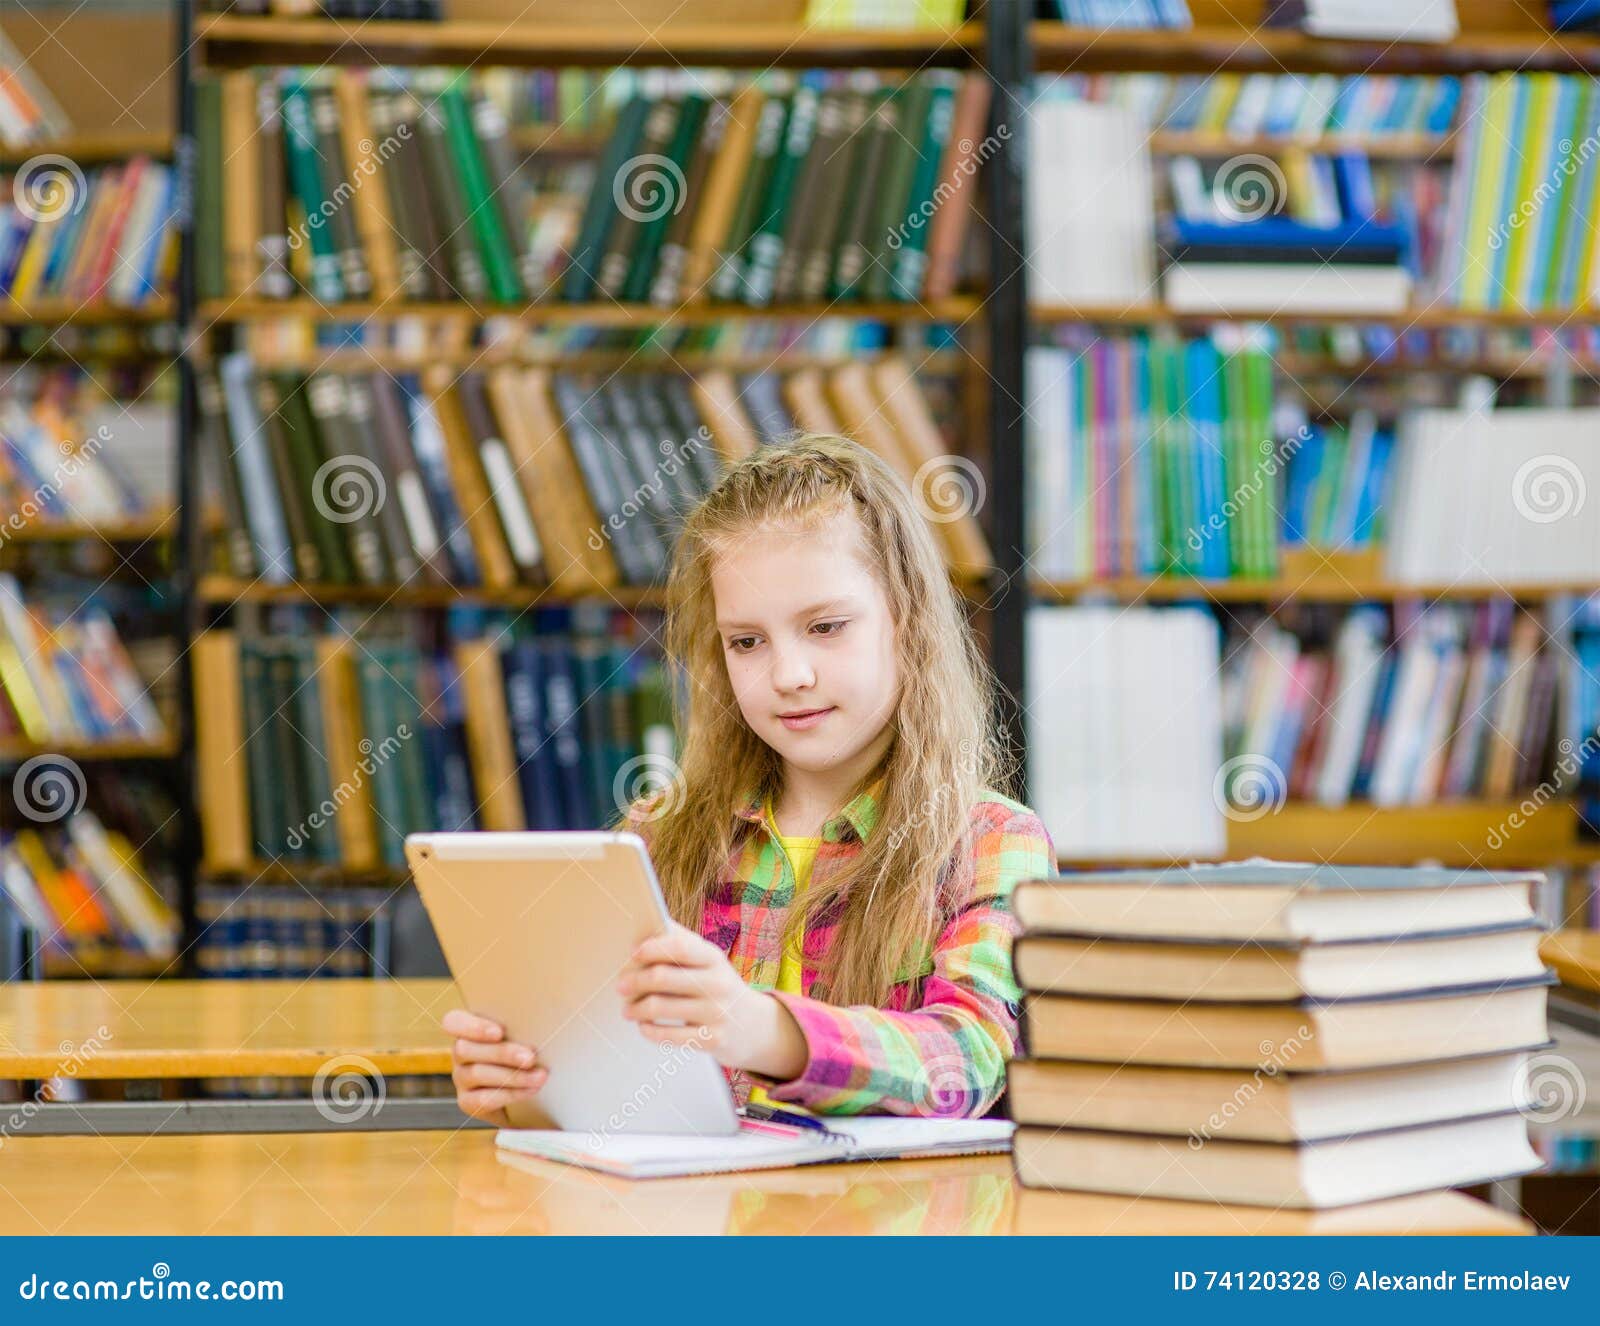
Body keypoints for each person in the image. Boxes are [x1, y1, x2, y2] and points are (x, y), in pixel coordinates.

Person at [444, 434, 1054, 1121]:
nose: (789, 675)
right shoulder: (656, 833)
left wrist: (765, 1031)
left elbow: (967, 1061)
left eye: (825, 626)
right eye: (747, 642)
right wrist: (524, 1081)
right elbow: (604, 1066)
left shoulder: (992, 840)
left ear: (906, 622)